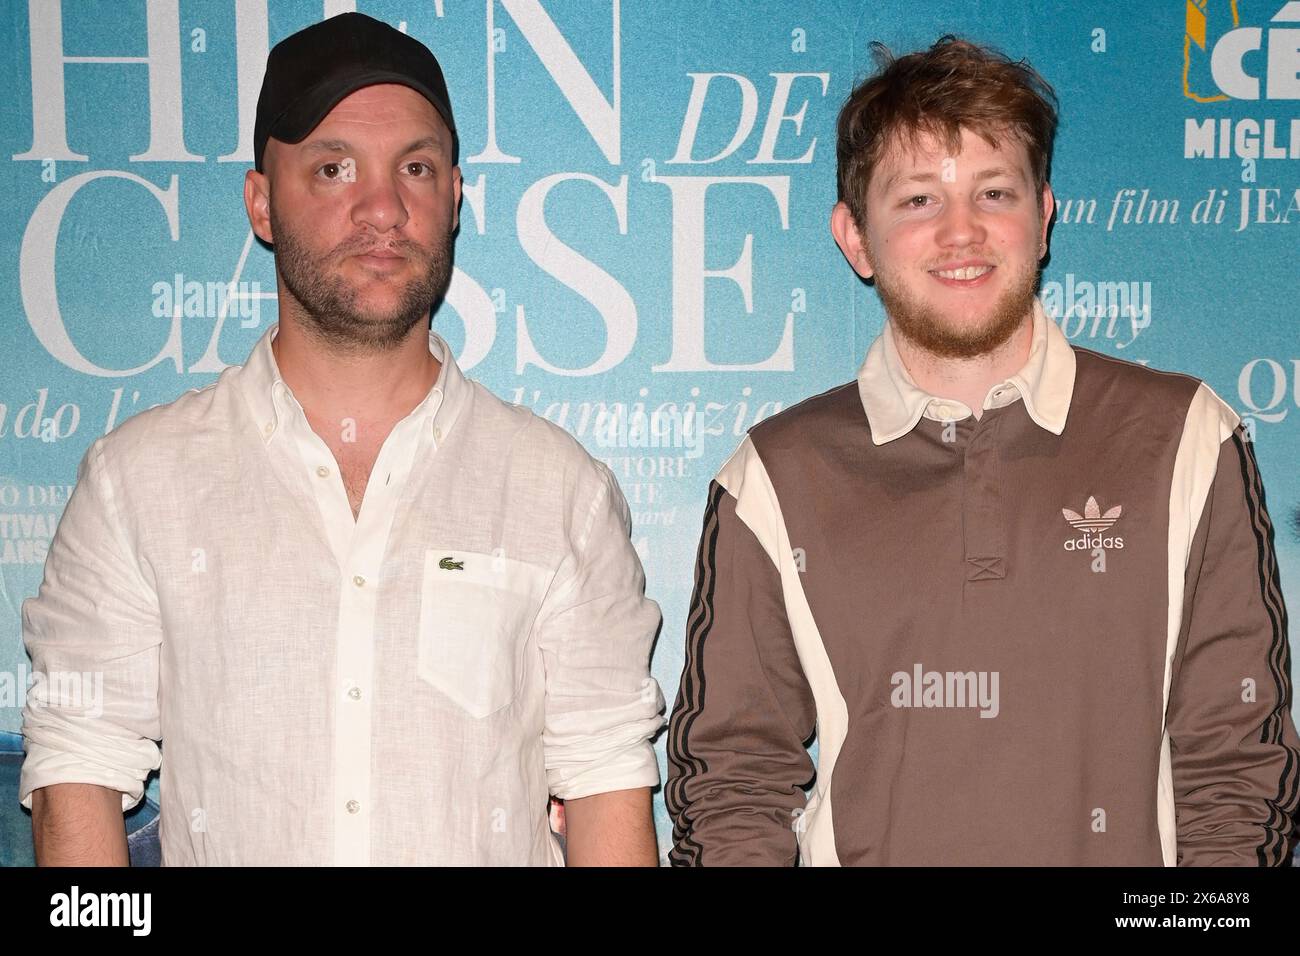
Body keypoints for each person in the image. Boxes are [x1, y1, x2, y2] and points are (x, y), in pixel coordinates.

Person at [20, 12, 663, 866]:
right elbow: (79, 764)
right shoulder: (136, 483)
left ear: (457, 197)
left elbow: (605, 776)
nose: (384, 207)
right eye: (332, 169)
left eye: (417, 168)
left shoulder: (560, 493)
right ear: (261, 203)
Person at [666, 35, 1300, 866]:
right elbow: (732, 784)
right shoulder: (773, 477)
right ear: (855, 237)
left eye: (994, 192)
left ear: (1042, 218)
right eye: (920, 200)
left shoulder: (1186, 436)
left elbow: (1234, 771)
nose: (961, 232)